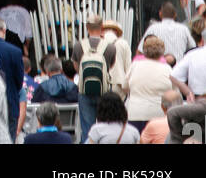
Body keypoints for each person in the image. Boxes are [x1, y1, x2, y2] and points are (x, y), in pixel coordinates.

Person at [166, 26, 206, 142]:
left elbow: (173, 75)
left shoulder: (193, 54)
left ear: (202, 40)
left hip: (198, 105)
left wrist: (188, 92)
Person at [72, 14, 118, 142]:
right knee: (106, 125)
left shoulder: (78, 46)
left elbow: (76, 67)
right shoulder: (110, 47)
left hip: (84, 91)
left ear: (87, 27)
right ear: (102, 27)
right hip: (104, 91)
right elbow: (110, 67)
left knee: (87, 128)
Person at [124, 35, 173, 131]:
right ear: (162, 52)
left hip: (135, 112)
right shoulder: (167, 69)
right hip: (158, 113)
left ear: (144, 51)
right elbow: (174, 92)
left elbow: (125, 86)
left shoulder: (135, 66)